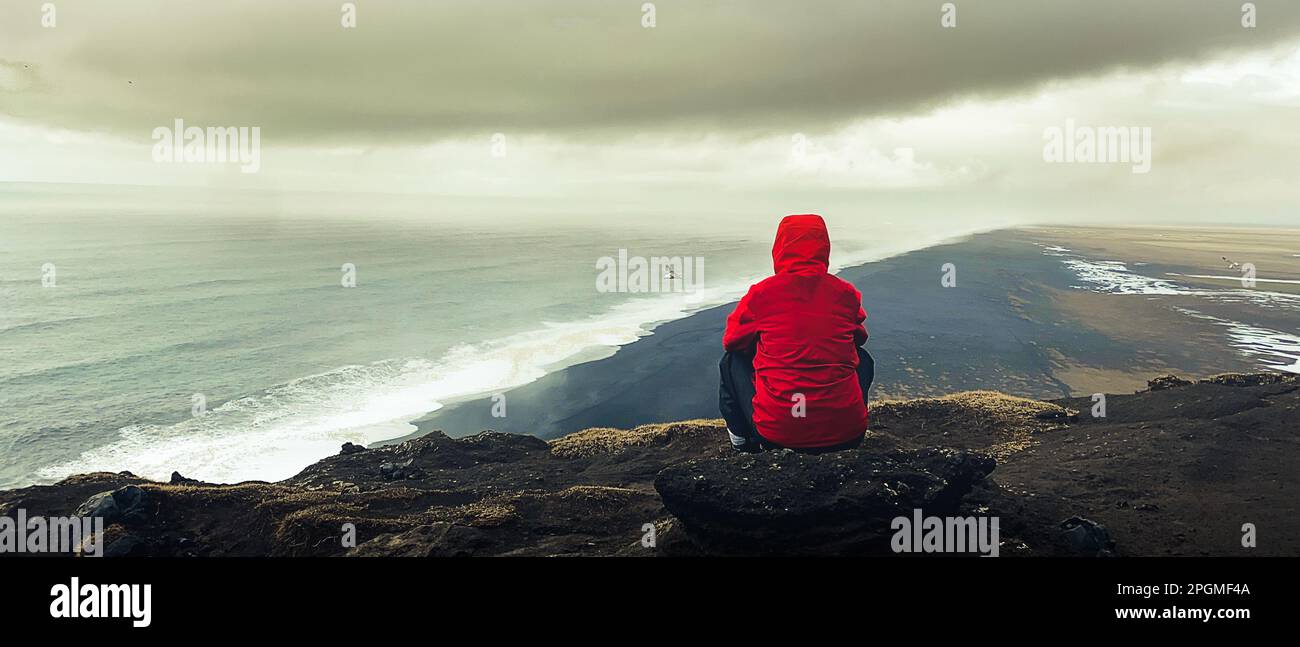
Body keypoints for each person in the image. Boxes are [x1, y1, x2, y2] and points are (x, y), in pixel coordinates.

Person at [719, 214, 873, 453]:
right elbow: (858, 338)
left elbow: (732, 342)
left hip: (777, 435)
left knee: (731, 361)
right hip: (849, 436)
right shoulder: (846, 294)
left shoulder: (762, 295)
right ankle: (846, 418)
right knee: (862, 358)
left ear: (779, 248)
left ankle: (741, 441)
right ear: (824, 248)